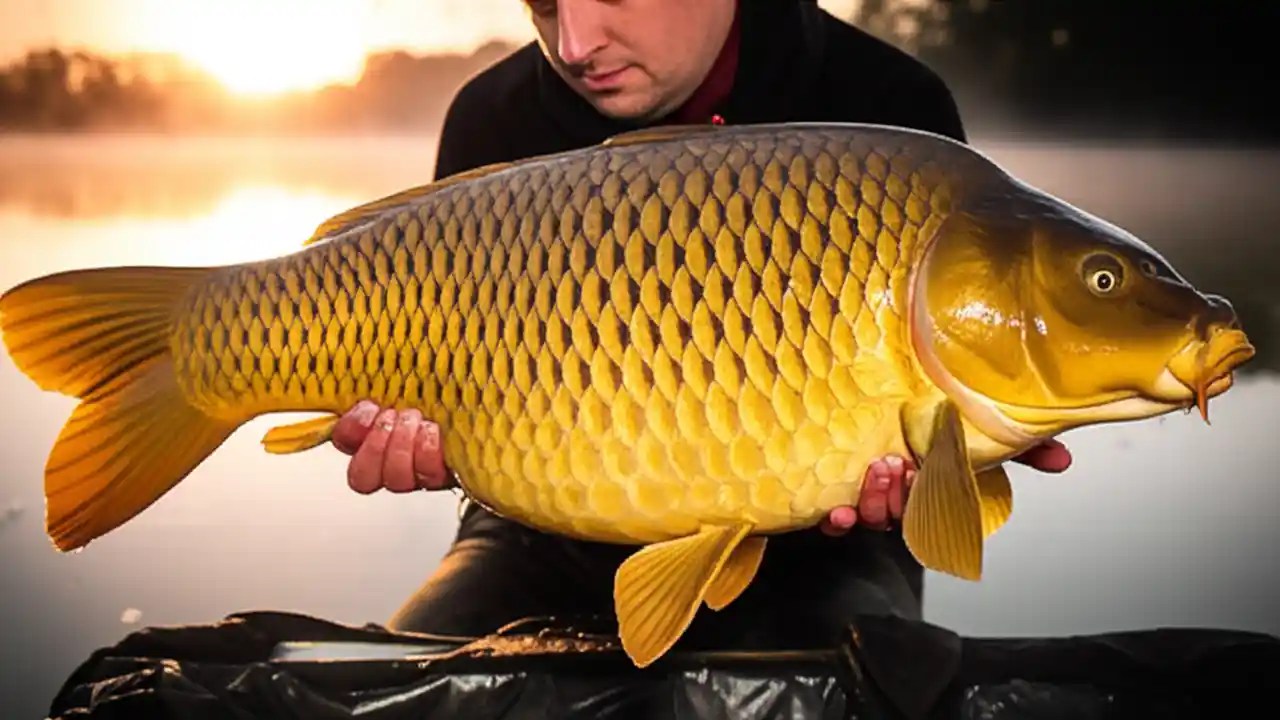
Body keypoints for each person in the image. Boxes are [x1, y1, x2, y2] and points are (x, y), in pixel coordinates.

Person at [330, 0, 1073, 651]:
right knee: (417, 676)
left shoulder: (888, 105)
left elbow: (952, 391)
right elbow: (464, 413)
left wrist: (949, 463)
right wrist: (433, 450)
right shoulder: (492, 118)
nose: (575, 44)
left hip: (823, 549)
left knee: (863, 674)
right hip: (545, 533)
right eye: (544, 3)